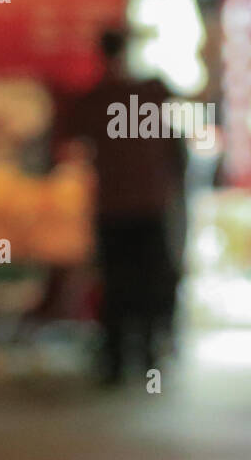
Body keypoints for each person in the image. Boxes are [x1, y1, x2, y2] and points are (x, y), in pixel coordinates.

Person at [59, 28, 185, 385]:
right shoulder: (149, 93)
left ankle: (116, 362)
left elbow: (69, 139)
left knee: (115, 284)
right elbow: (173, 148)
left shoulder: (95, 99)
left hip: (113, 207)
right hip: (148, 205)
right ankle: (145, 356)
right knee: (149, 282)